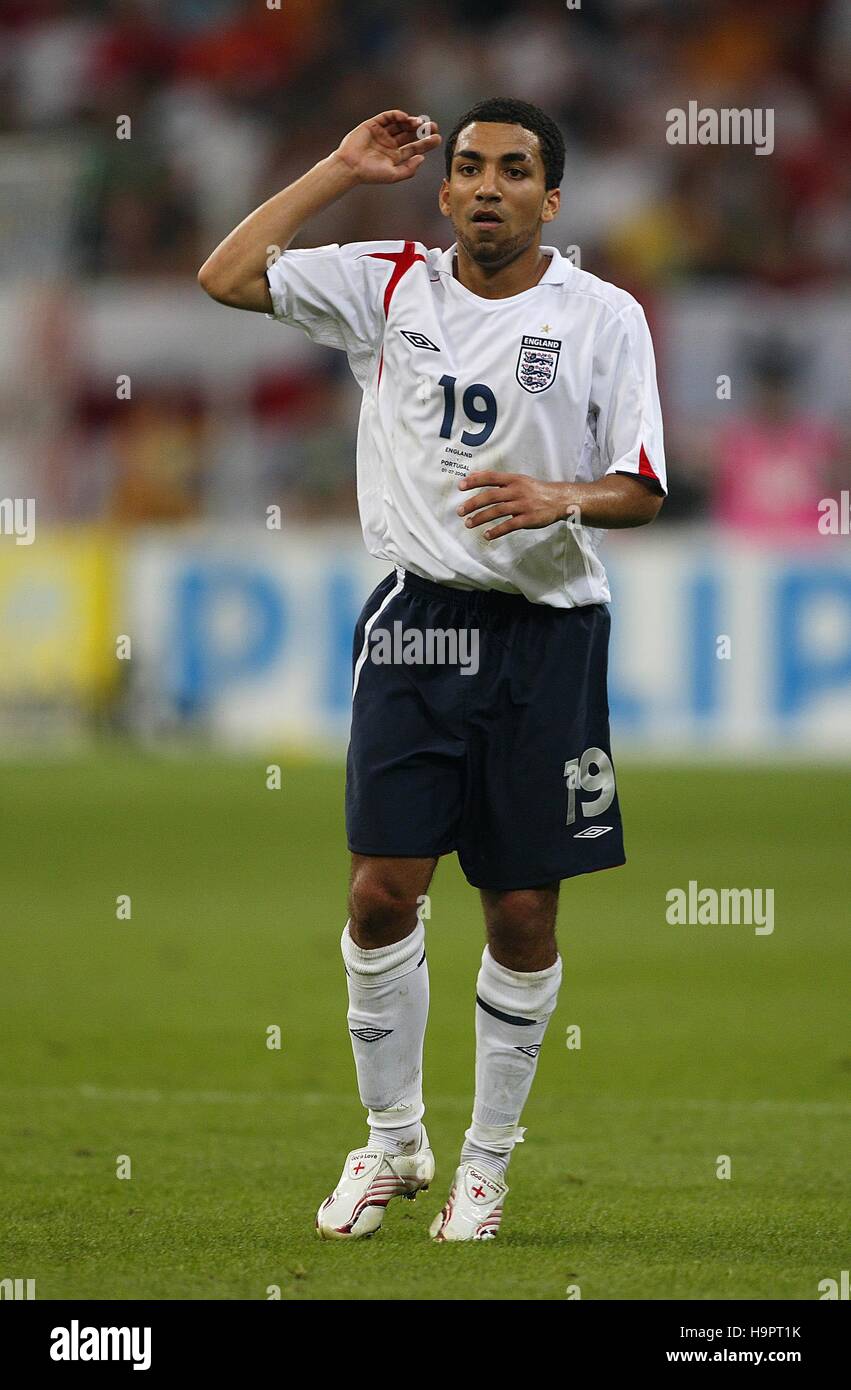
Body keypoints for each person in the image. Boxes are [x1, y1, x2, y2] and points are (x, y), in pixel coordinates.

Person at [198, 97, 667, 1241]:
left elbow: (644, 486)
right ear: (443, 189)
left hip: (548, 636)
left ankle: (485, 1166)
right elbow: (224, 275)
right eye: (468, 169)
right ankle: (391, 1142)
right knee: (378, 891)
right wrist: (339, 169)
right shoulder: (389, 279)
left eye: (514, 170)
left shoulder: (601, 315)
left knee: (518, 906)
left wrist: (561, 495)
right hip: (415, 627)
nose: (488, 186)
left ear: (549, 198)